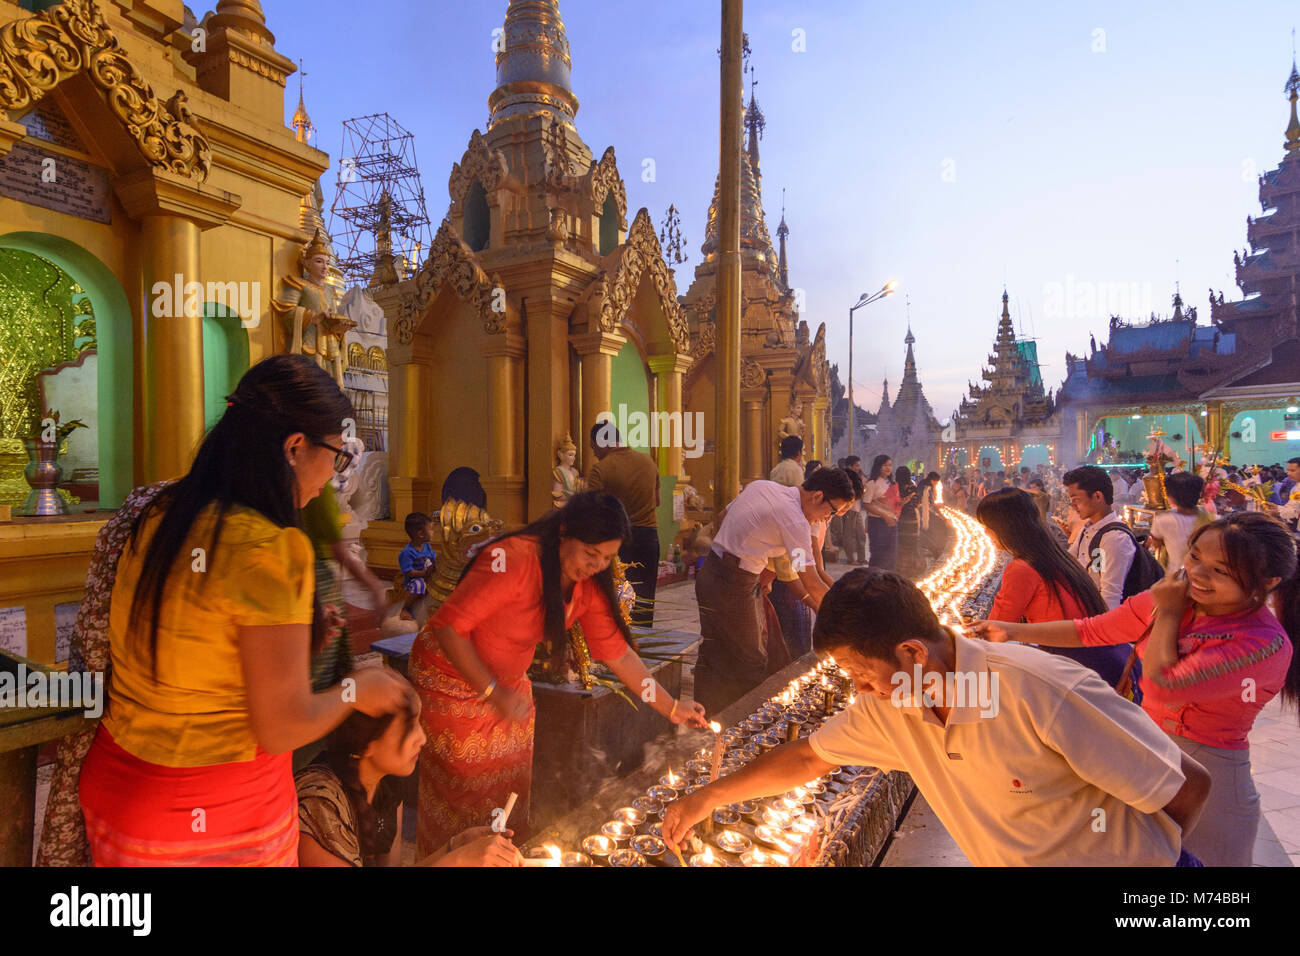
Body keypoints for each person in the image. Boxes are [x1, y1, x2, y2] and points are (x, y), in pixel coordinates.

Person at [78, 354, 410, 866]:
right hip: (213, 814)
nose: (336, 478)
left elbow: (195, 643)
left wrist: (294, 642)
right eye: (338, 457)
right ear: (295, 447)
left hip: (123, 793)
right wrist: (355, 688)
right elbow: (281, 727)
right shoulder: (270, 549)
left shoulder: (160, 512)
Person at [664, 568, 1212, 866]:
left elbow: (1187, 786)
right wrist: (704, 798)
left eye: (861, 675)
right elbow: (808, 756)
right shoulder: (892, 705)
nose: (861, 692)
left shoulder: (1036, 690)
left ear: (912, 652)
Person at [973, 512, 1298, 866]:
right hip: (1145, 750)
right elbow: (1093, 630)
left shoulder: (1264, 643)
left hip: (1213, 775)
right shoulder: (1175, 599)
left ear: (1268, 582)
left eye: (1221, 571)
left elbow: (1163, 687)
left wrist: (1169, 613)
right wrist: (1010, 630)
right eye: (1195, 556)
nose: (1198, 575)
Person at [411, 492, 707, 855]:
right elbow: (448, 628)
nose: (596, 565)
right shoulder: (513, 561)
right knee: (465, 796)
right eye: (590, 553)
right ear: (564, 532)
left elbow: (618, 654)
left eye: (607, 558)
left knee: (508, 794)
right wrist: (492, 692)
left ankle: (505, 860)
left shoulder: (586, 584)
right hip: (452, 679)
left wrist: (671, 707)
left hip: (506, 687)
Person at [296, 687, 517, 867]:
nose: (422, 738)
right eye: (409, 727)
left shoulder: (386, 783)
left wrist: (456, 845)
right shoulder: (321, 806)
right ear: (366, 742)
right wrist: (458, 860)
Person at [695, 469, 856, 712]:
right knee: (751, 659)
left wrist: (746, 547)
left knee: (715, 647)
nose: (826, 519)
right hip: (734, 582)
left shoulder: (763, 487)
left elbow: (722, 515)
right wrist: (842, 622)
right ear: (817, 496)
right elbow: (811, 582)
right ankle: (741, 727)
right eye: (831, 511)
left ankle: (704, 717)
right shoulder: (795, 520)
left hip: (713, 570)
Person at [975, 489, 1135, 690]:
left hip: (1073, 669)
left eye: (987, 527)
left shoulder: (1022, 568)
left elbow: (996, 627)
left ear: (1004, 526)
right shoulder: (1056, 556)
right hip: (1102, 659)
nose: (985, 533)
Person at [587, 423, 661, 628]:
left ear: (601, 443)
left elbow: (592, 511)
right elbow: (657, 501)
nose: (594, 454)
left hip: (616, 541)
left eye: (594, 448)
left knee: (614, 600)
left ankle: (616, 648)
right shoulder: (648, 462)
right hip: (648, 538)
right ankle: (643, 646)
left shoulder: (601, 470)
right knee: (644, 600)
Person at [1063, 465, 1137, 610]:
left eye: (1076, 499)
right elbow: (1068, 561)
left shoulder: (1114, 538)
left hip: (1099, 619)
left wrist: (1096, 629)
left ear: (1097, 496)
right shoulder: (1089, 529)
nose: (1073, 505)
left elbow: (1110, 597)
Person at [1148, 471, 1211, 571]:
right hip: (1204, 574)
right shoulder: (1213, 519)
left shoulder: (1163, 519)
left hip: (1175, 575)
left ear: (1171, 496)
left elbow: (1156, 545)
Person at [863, 455, 899, 571]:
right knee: (878, 555)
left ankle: (888, 581)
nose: (888, 468)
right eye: (884, 465)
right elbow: (866, 504)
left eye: (890, 465)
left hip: (892, 522)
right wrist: (884, 515)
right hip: (878, 523)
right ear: (878, 467)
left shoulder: (891, 483)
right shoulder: (872, 483)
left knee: (891, 555)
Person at [398, 512, 436, 598]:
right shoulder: (407, 552)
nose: (433, 532)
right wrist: (422, 573)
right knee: (419, 585)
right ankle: (406, 607)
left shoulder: (427, 547)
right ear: (421, 534)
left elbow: (434, 560)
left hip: (427, 576)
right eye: (430, 529)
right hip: (414, 581)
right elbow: (408, 572)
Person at [843, 456, 868, 565]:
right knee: (849, 534)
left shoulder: (858, 477)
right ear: (850, 466)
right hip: (849, 509)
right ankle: (850, 559)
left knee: (861, 534)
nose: (858, 468)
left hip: (857, 509)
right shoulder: (846, 477)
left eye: (859, 465)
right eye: (856, 465)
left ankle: (861, 558)